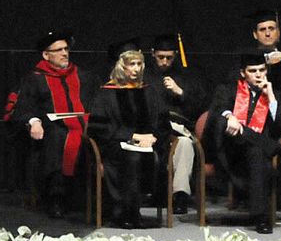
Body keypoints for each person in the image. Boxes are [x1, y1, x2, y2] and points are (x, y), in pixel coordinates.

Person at [11, 28, 94, 218]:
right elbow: (24, 107)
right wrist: (34, 122)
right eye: (59, 50)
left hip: (83, 126)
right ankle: (57, 196)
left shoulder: (83, 76)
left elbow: (96, 103)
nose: (65, 53)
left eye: (66, 49)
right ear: (46, 55)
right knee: (57, 137)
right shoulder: (34, 79)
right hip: (53, 128)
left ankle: (95, 198)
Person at [88, 41, 171, 229]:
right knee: (132, 158)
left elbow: (162, 121)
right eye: (131, 64)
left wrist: (153, 136)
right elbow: (100, 127)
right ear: (121, 66)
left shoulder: (149, 91)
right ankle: (126, 212)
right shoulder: (106, 93)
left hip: (148, 144)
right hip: (116, 144)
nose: (136, 68)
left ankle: (133, 210)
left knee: (145, 156)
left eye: (139, 64)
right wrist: (132, 136)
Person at [207, 53, 281, 234]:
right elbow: (216, 113)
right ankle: (272, 147)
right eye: (252, 71)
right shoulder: (228, 90)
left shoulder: (274, 93)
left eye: (262, 70)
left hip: (257, 155)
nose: (258, 75)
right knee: (256, 145)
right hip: (231, 151)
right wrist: (229, 116)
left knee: (256, 152)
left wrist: (271, 98)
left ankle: (260, 217)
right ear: (243, 73)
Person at [147, 34, 205, 215]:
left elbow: (199, 108)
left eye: (169, 58)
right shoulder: (144, 76)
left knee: (185, 144)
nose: (165, 62)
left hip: (178, 128)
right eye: (160, 57)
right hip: (151, 129)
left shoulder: (187, 76)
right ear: (152, 53)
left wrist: (180, 92)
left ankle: (180, 195)